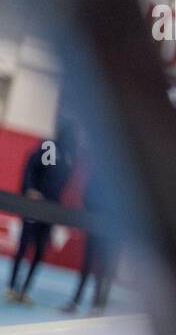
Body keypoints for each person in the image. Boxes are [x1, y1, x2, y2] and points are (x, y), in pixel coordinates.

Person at [6, 130, 77, 305]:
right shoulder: (49, 147)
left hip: (50, 212)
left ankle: (24, 290)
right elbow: (32, 169)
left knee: (39, 251)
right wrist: (30, 190)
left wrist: (57, 210)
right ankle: (12, 287)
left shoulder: (68, 155)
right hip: (35, 208)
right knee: (24, 245)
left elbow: (60, 185)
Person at [62, 175, 118, 314]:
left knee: (104, 267)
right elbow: (88, 196)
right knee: (86, 265)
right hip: (94, 228)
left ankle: (98, 304)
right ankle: (75, 301)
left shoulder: (123, 183)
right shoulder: (98, 176)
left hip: (111, 231)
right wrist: (95, 214)